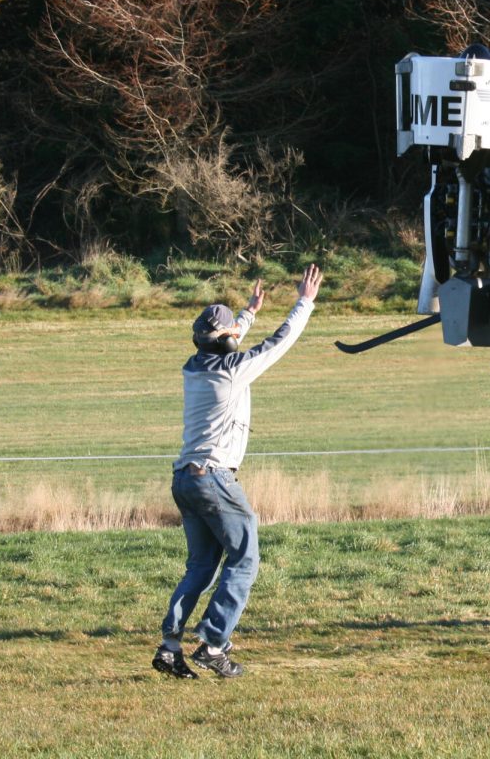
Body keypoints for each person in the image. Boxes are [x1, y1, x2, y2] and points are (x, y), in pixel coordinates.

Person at [152, 263, 323, 679]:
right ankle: (212, 643)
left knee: (201, 567)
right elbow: (277, 345)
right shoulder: (233, 371)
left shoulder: (194, 366)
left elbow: (225, 341)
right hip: (214, 479)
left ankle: (170, 647)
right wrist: (304, 302)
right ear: (227, 341)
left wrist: (248, 313)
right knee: (245, 558)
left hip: (184, 480)